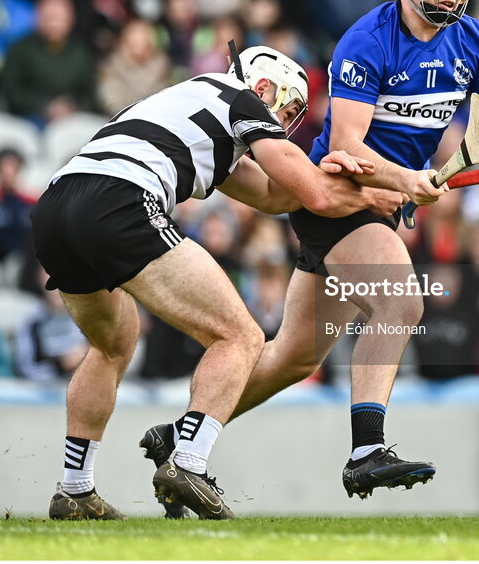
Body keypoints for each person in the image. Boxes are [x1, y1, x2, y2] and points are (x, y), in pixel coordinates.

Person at [139, 0, 479, 509]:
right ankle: (367, 450)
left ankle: (184, 434)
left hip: (384, 206)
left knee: (294, 357)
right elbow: (347, 147)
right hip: (339, 199)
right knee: (401, 300)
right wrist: (405, 180)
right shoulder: (368, 39)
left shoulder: (472, 39)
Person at [31, 45, 403, 520]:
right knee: (240, 335)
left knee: (112, 346)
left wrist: (331, 180)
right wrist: (378, 189)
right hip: (120, 200)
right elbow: (311, 194)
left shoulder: (194, 105)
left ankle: (75, 490)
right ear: (263, 86)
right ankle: (188, 463)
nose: (284, 124)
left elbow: (271, 195)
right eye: (285, 110)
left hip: (57, 206)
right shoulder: (241, 97)